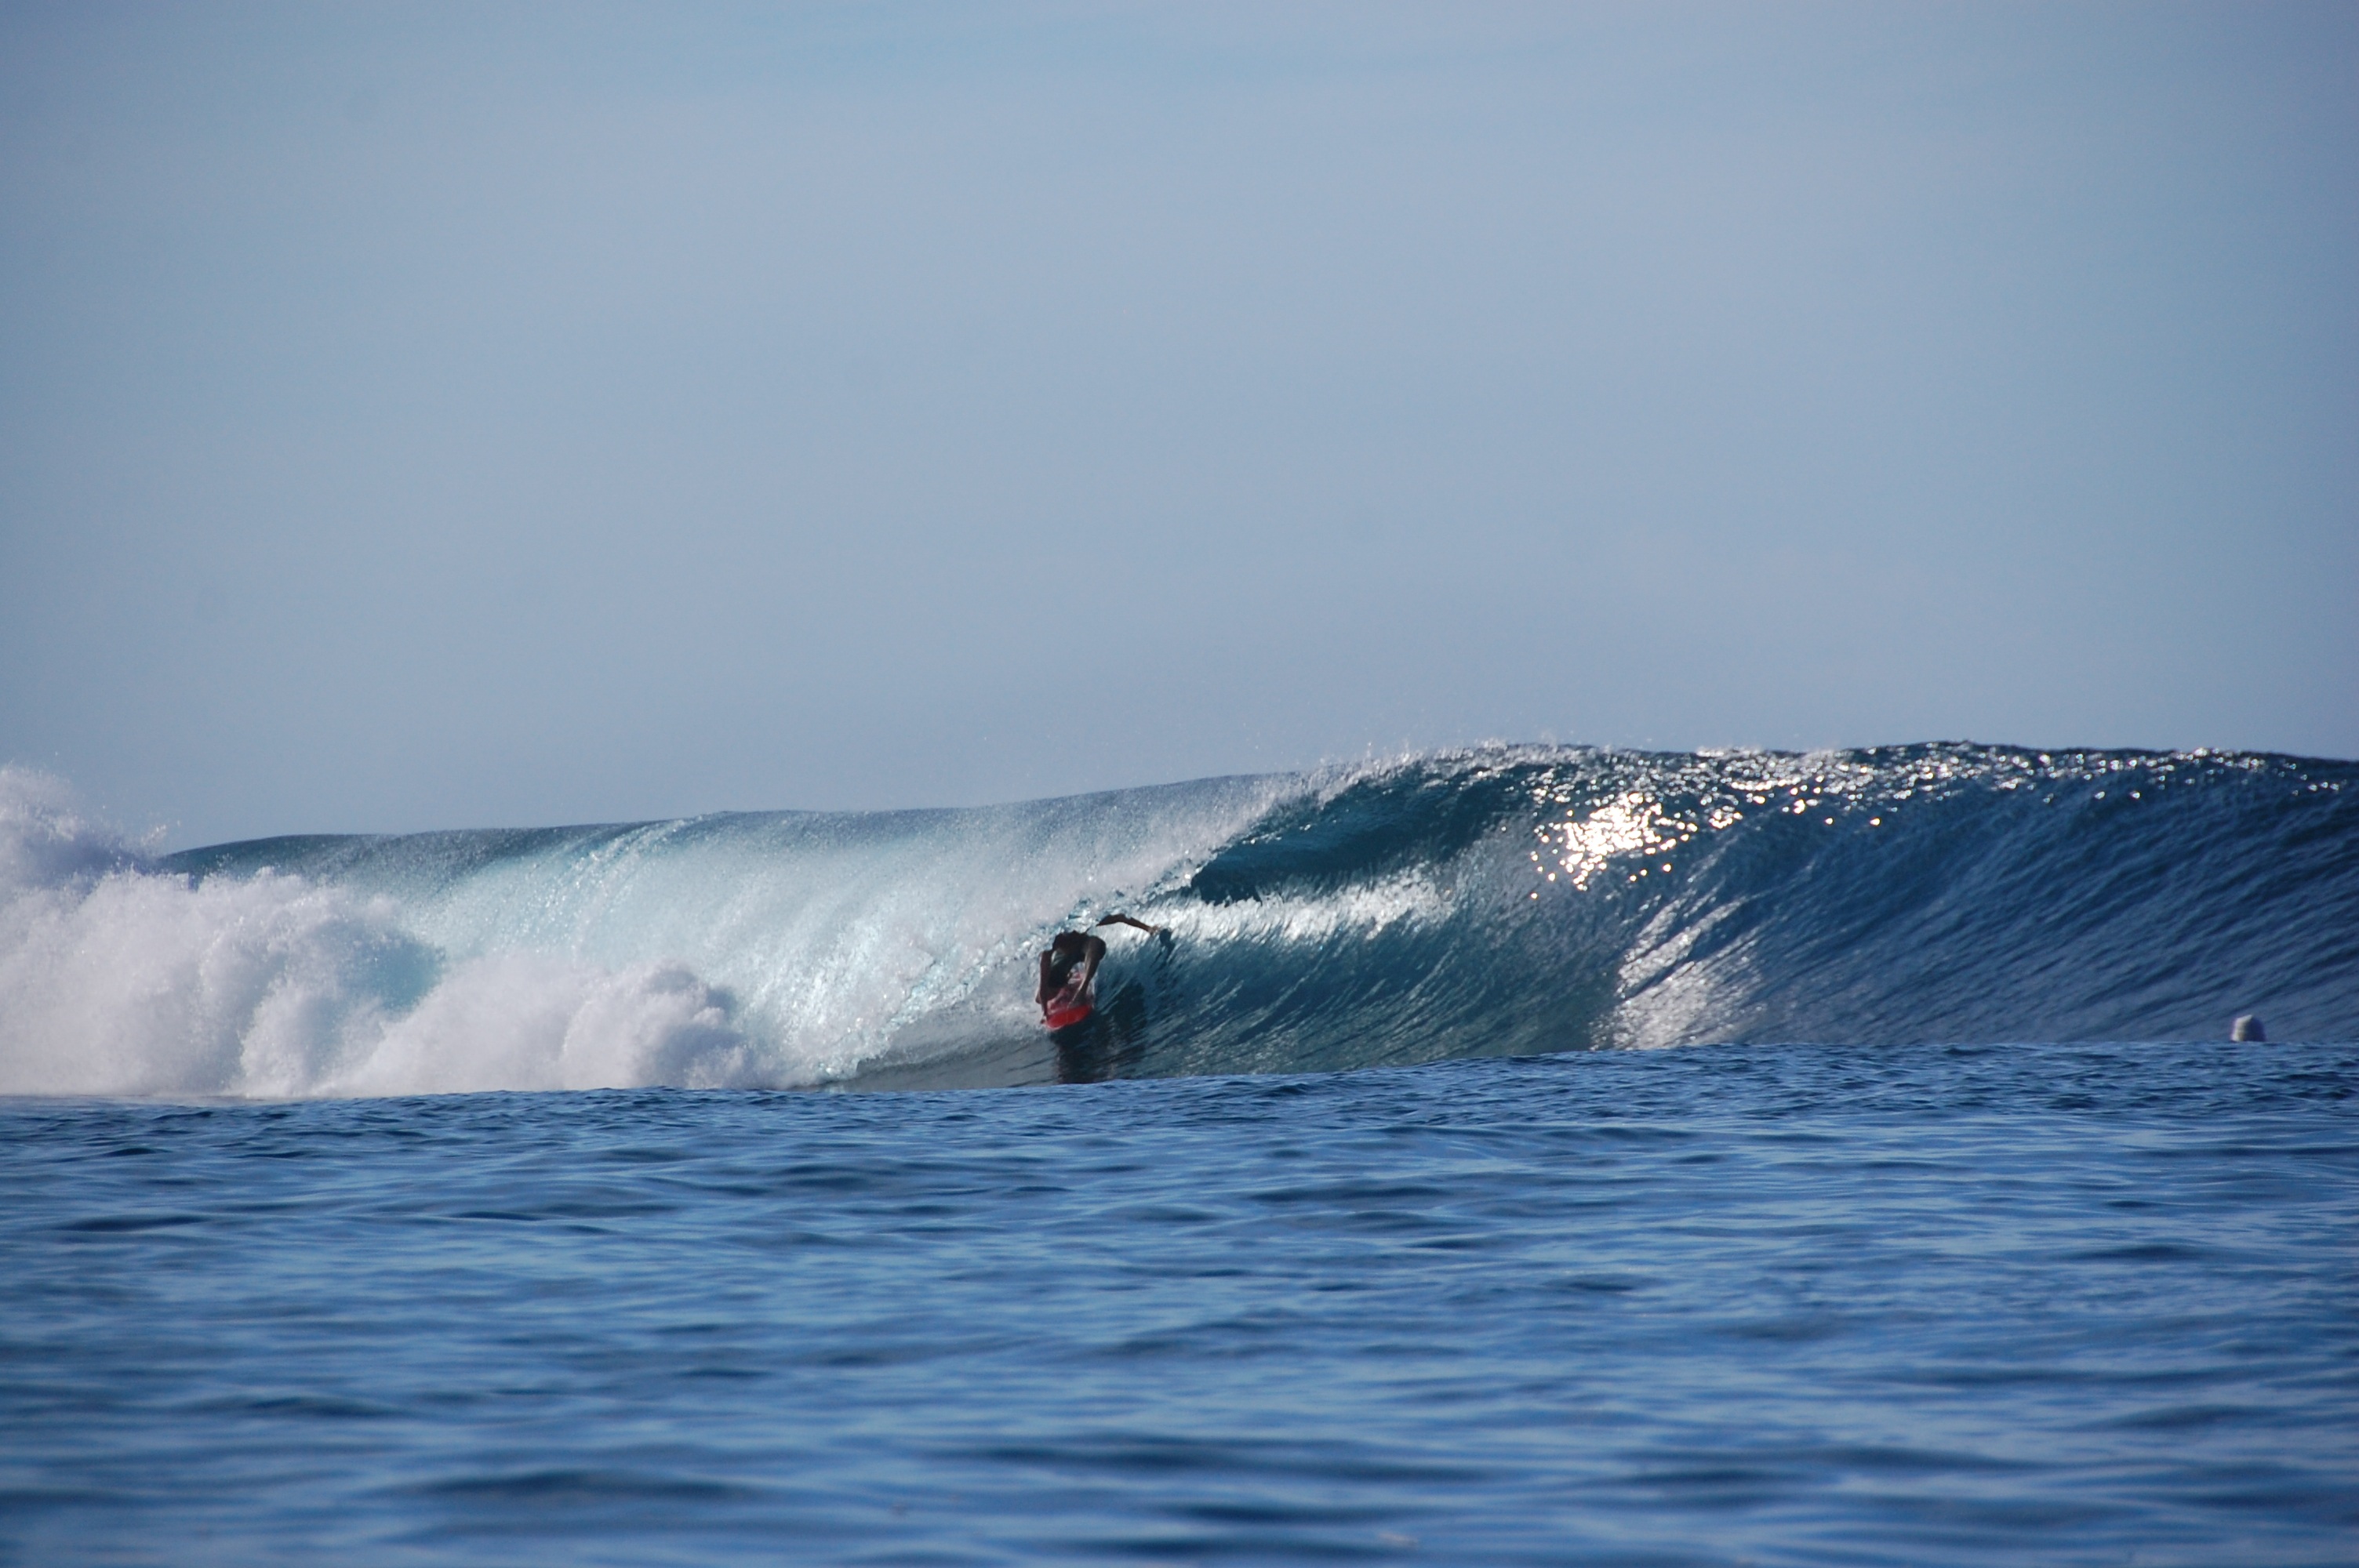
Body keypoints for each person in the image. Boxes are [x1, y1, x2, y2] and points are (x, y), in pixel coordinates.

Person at [1038, 913, 1164, 1024]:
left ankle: (1082, 988)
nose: (1069, 933)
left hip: (1084, 949)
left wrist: (1148, 928)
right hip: (1064, 958)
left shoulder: (1080, 922)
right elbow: (1043, 982)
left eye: (1071, 932)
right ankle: (1067, 980)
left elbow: (1120, 918)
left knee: (1095, 943)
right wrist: (1045, 1011)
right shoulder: (1051, 942)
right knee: (1041, 996)